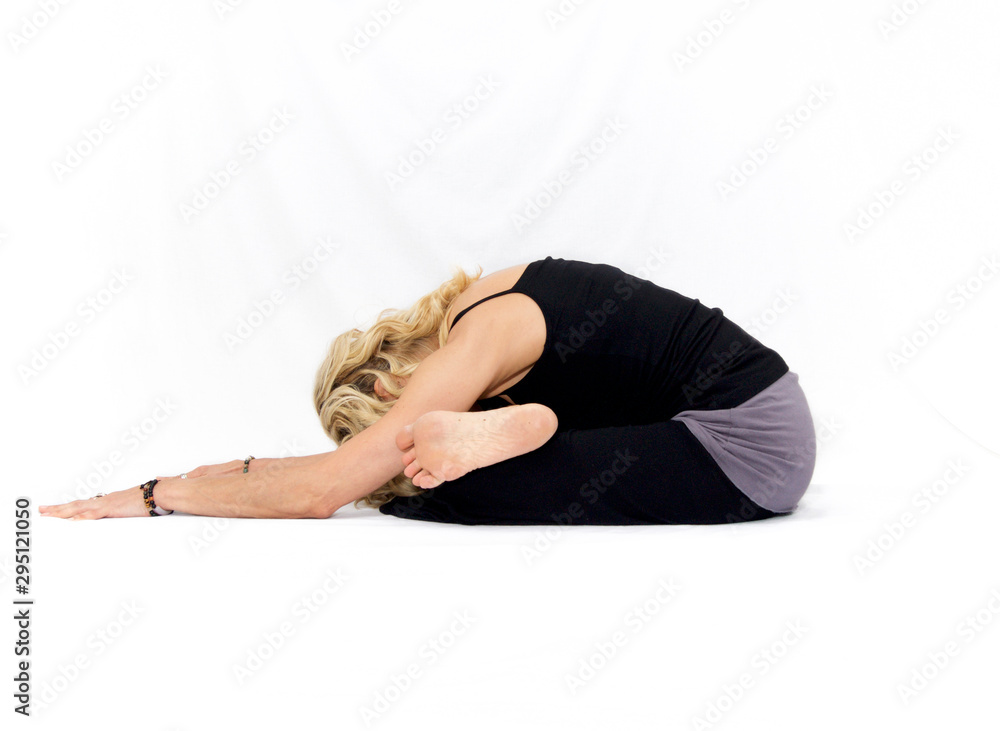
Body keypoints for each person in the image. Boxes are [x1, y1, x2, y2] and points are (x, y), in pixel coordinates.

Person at [39, 256, 815, 524]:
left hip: (746, 447)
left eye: (381, 421)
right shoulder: (492, 296)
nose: (390, 433)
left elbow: (319, 491)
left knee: (433, 491)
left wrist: (158, 492)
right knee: (444, 463)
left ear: (382, 382)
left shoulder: (466, 351)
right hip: (750, 406)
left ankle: (512, 442)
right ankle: (529, 431)